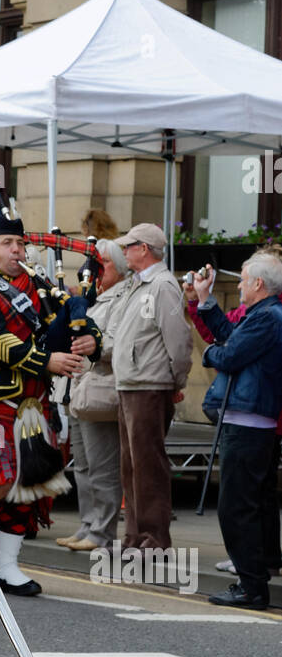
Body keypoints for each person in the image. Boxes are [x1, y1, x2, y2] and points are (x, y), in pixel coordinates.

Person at [0, 209, 92, 594]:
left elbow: (70, 321)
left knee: (31, 484)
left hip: (35, 402)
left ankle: (9, 565)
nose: (17, 250)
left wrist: (89, 339)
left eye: (21, 243)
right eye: (9, 244)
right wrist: (47, 360)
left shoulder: (42, 285)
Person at [185, 245, 282, 577]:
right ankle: (249, 576)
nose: (238, 286)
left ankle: (251, 582)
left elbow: (230, 355)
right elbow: (230, 336)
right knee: (239, 504)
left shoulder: (268, 317)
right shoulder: (263, 314)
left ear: (258, 284)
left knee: (238, 506)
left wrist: (211, 353)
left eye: (242, 281)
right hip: (245, 417)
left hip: (250, 420)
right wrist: (205, 300)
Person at [111, 222, 193, 556]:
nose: (124, 251)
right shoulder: (141, 284)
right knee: (132, 466)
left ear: (144, 249)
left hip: (148, 384)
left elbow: (179, 338)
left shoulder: (161, 285)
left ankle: (154, 536)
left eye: (129, 246)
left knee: (148, 465)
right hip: (133, 382)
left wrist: (177, 380)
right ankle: (135, 535)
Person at [58, 237, 129, 552]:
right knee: (83, 466)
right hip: (75, 388)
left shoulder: (121, 298)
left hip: (97, 390)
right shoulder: (91, 296)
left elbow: (113, 343)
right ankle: (87, 525)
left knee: (103, 468)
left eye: (105, 263)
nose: (96, 269)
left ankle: (102, 532)